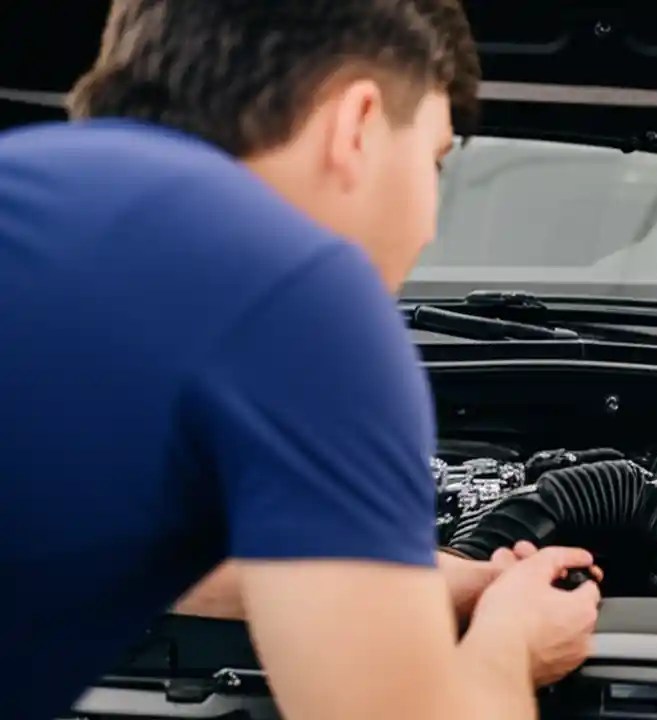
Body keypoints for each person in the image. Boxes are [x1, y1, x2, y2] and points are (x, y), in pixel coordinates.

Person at [0, 2, 601, 719]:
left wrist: (417, 581)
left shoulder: (29, 195)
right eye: (435, 161)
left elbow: (98, 532)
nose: (432, 219)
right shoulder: (295, 288)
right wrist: (512, 645)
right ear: (357, 126)